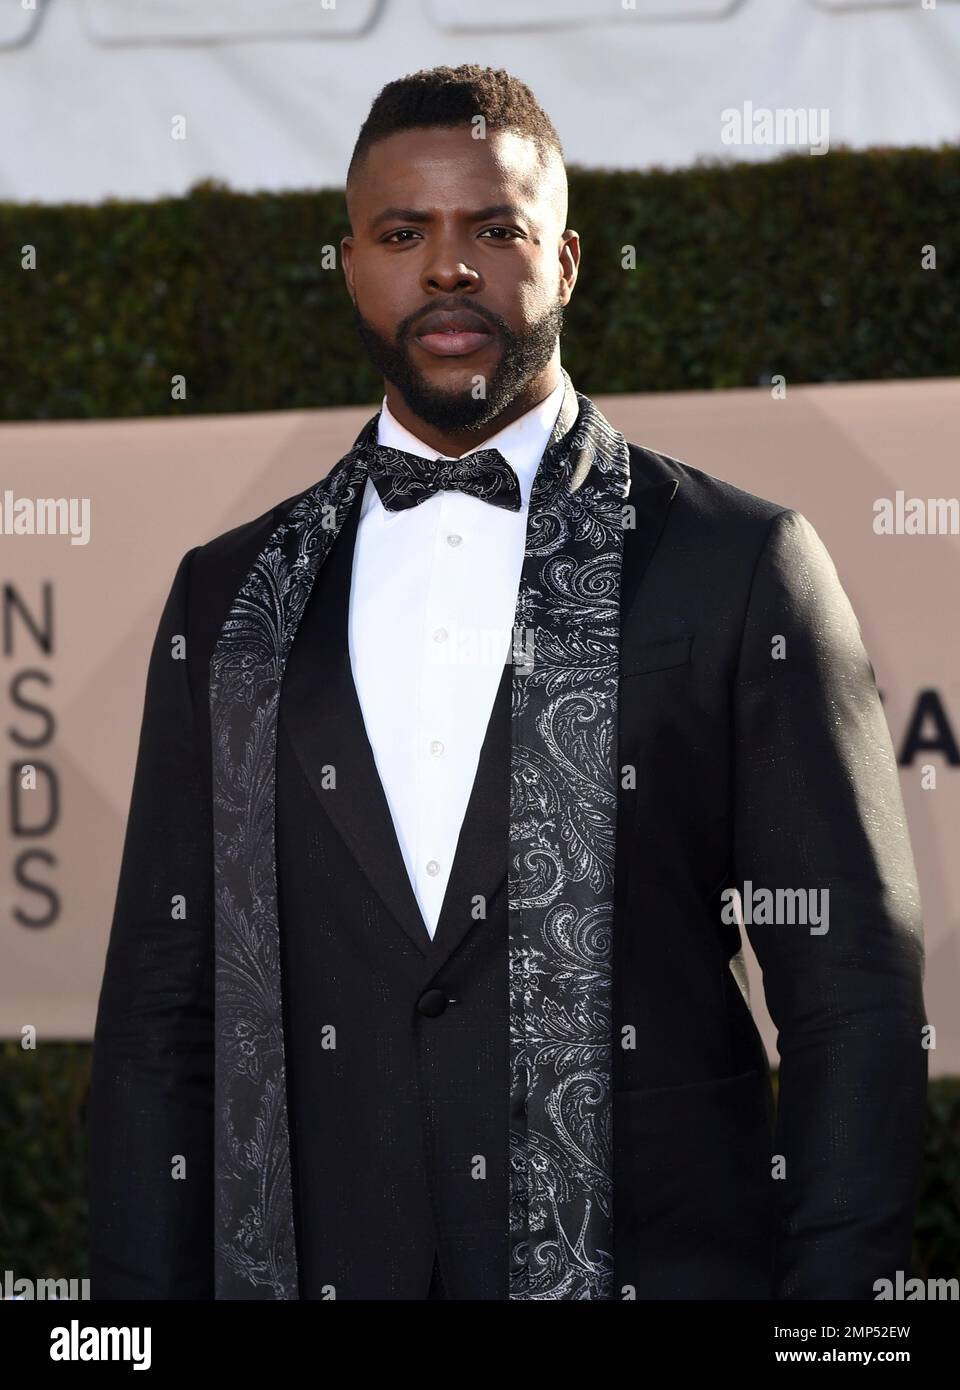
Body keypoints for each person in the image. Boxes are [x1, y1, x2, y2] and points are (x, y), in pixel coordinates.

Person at [88, 63, 927, 1301]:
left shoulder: (738, 563)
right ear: (352, 263)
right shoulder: (229, 595)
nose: (447, 268)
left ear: (568, 259)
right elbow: (164, 1014)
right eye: (402, 233)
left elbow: (850, 993)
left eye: (495, 227)